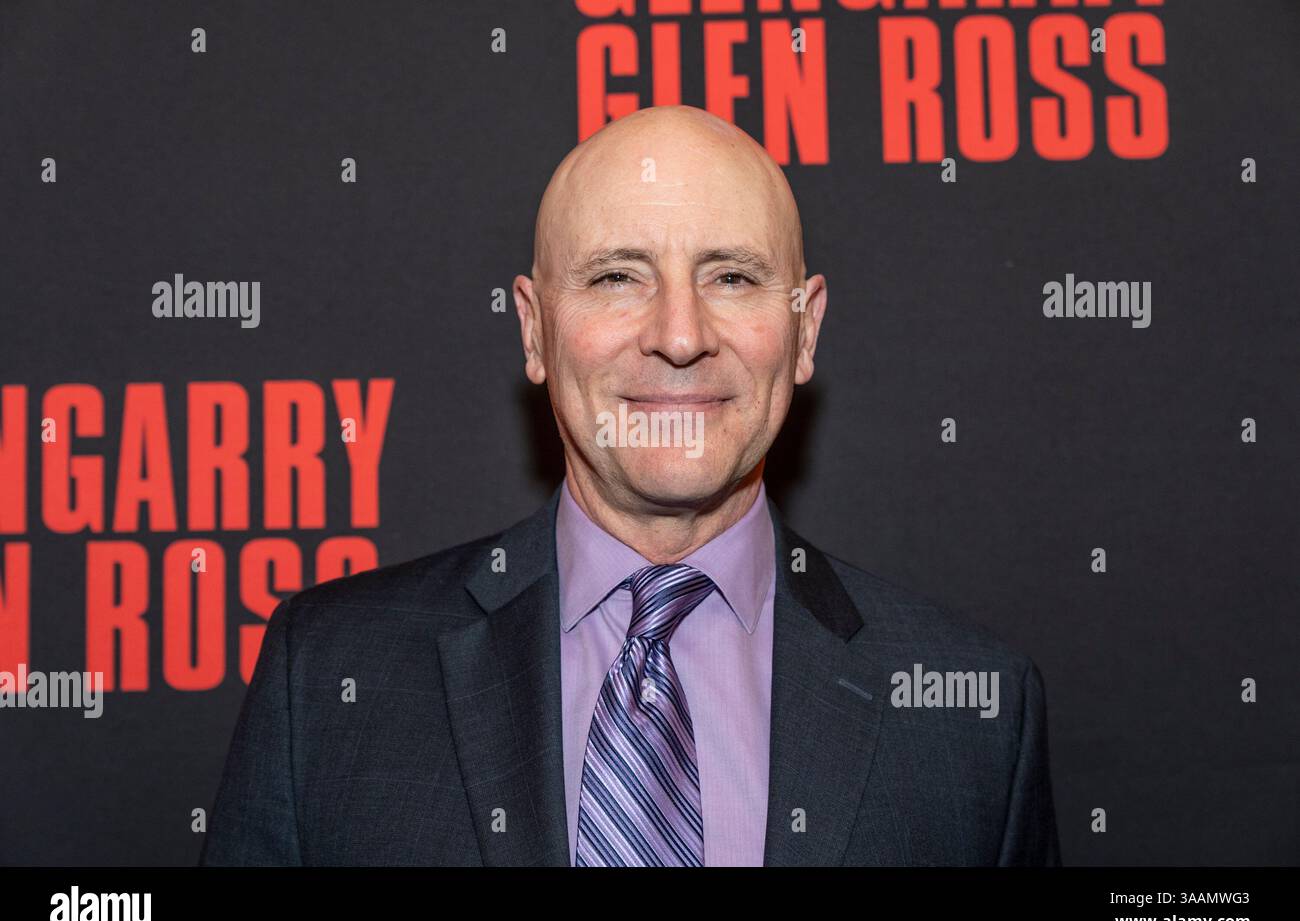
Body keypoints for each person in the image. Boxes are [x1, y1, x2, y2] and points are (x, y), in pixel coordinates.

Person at [200, 105, 1061, 867]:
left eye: (732, 277)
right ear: (535, 333)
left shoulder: (973, 715)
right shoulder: (328, 675)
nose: (680, 336)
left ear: (805, 331)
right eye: (618, 277)